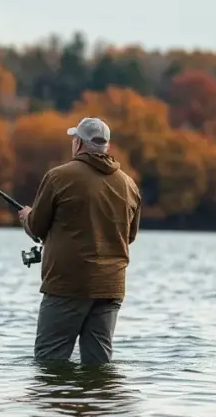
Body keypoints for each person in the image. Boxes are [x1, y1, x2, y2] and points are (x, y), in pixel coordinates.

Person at [17, 116, 141, 365]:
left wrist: (26, 216)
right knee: (98, 364)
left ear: (79, 144)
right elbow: (130, 236)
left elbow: (37, 227)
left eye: (74, 139)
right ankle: (96, 403)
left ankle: (57, 402)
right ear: (106, 146)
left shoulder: (58, 177)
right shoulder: (129, 185)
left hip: (67, 286)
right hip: (110, 288)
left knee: (49, 362)